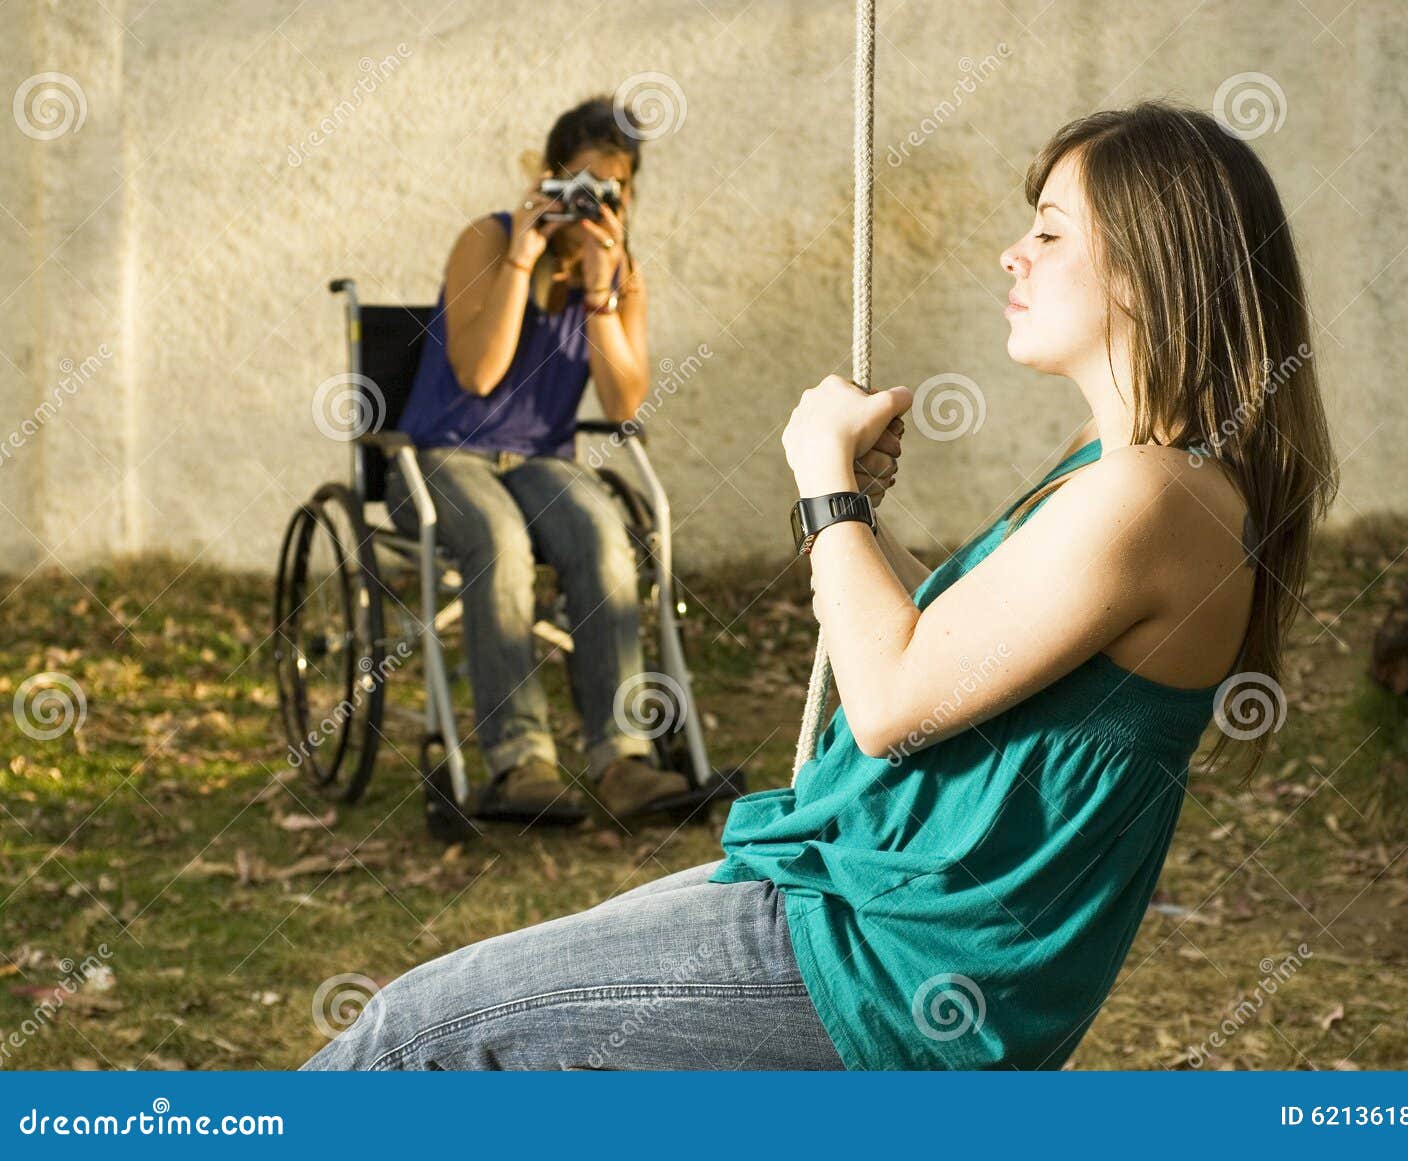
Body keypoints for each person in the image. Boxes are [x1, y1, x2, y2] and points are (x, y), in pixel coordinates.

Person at [305, 101, 1338, 1070]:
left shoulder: (1153, 496)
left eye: (1050, 232)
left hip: (882, 969)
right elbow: (959, 642)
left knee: (410, 1037)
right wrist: (857, 521)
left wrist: (825, 490)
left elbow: (889, 703)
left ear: (1151, 270)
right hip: (857, 908)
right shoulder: (1123, 473)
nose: (1011, 253)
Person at [387, 95, 679, 823]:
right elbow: (479, 374)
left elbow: (622, 402)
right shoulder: (486, 241)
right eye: (579, 186)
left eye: (611, 190)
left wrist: (602, 294)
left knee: (604, 536)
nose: (591, 205)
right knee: (499, 541)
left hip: (541, 463)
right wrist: (523, 258)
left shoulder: (619, 275)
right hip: (441, 456)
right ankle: (522, 764)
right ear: (549, 179)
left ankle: (623, 760)